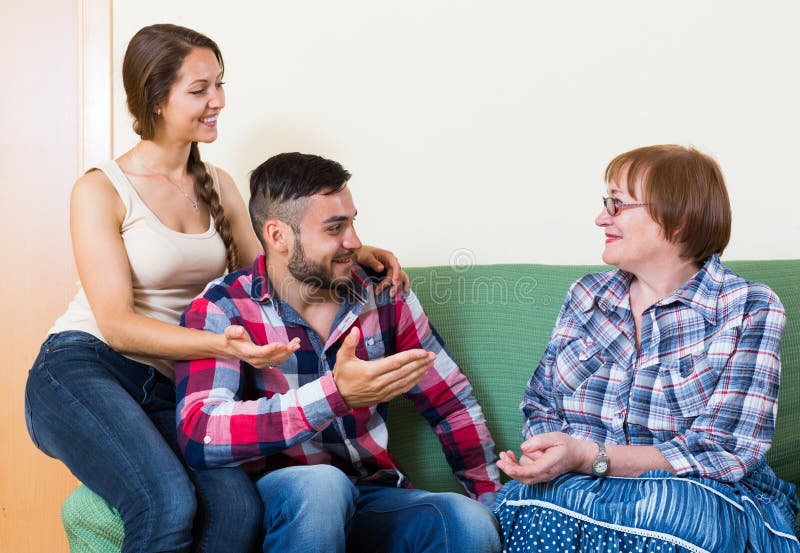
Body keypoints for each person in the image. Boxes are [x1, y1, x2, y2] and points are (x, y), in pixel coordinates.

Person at [24, 24, 408, 553]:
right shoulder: (100, 189)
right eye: (200, 89)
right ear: (157, 99)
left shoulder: (220, 185)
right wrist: (221, 345)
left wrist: (350, 253)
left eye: (220, 85)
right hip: (85, 367)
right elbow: (116, 326)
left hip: (167, 386)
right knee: (166, 504)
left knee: (237, 510)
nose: (219, 101)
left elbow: (274, 272)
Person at [174, 152, 503, 553]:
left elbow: (450, 403)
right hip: (283, 505)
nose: (355, 242)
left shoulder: (380, 294)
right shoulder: (223, 308)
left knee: (468, 523)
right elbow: (201, 431)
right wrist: (335, 396)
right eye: (335, 228)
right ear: (278, 237)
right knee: (322, 486)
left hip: (373, 495)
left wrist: (491, 502)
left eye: (352, 222)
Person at [494, 144, 800, 552]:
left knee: (676, 513)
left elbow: (724, 450)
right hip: (580, 491)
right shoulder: (586, 296)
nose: (601, 217)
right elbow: (541, 404)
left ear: (676, 219)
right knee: (523, 505)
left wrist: (591, 456)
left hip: (693, 496)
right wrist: (549, 454)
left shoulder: (747, 307)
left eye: (617, 204)